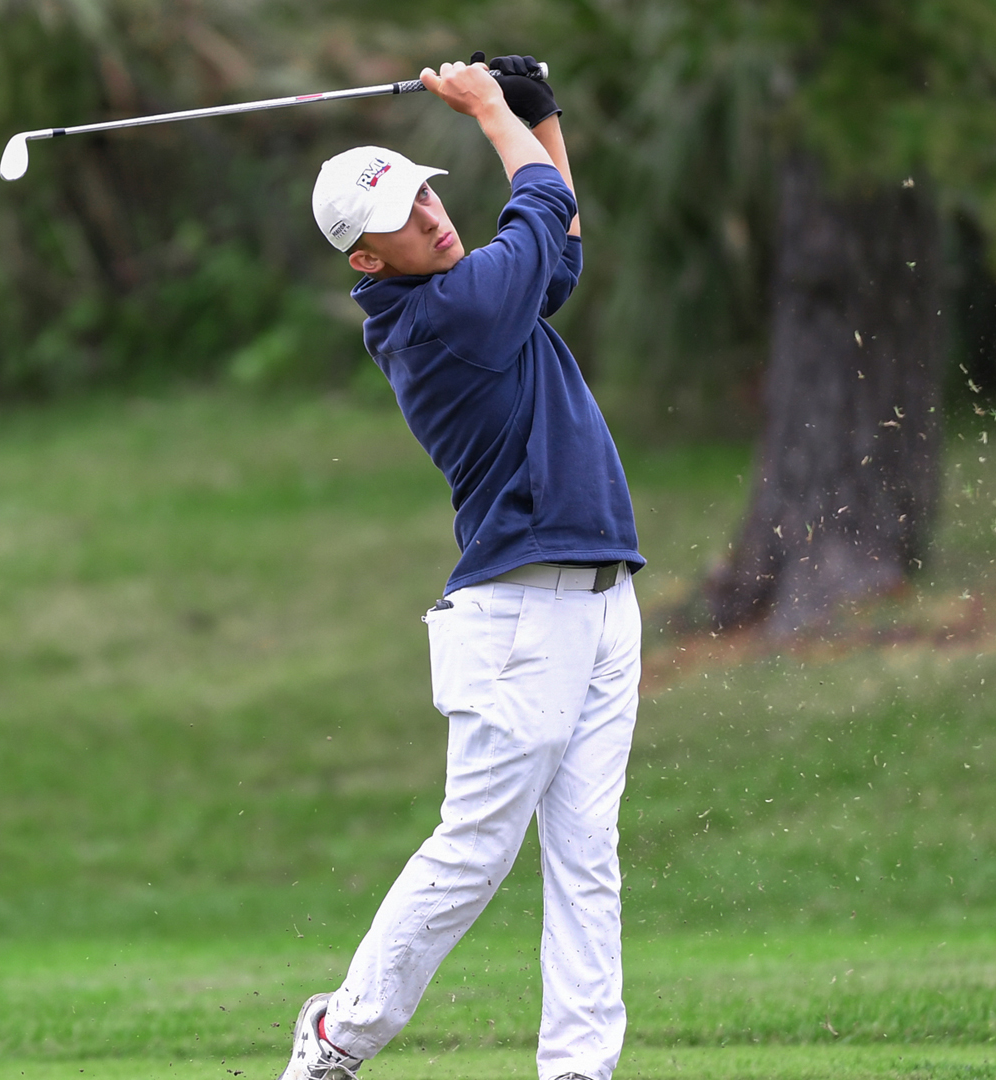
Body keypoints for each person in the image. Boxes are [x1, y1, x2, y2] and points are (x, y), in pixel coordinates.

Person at [280, 55, 645, 1080]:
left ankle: (577, 1069)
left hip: (602, 598)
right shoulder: (443, 318)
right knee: (476, 848)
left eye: (423, 194)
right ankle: (337, 1038)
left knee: (587, 855)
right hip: (520, 613)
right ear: (368, 260)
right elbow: (539, 209)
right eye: (399, 218)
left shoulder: (477, 291)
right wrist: (493, 111)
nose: (430, 217)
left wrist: (539, 114)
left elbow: (560, 247)